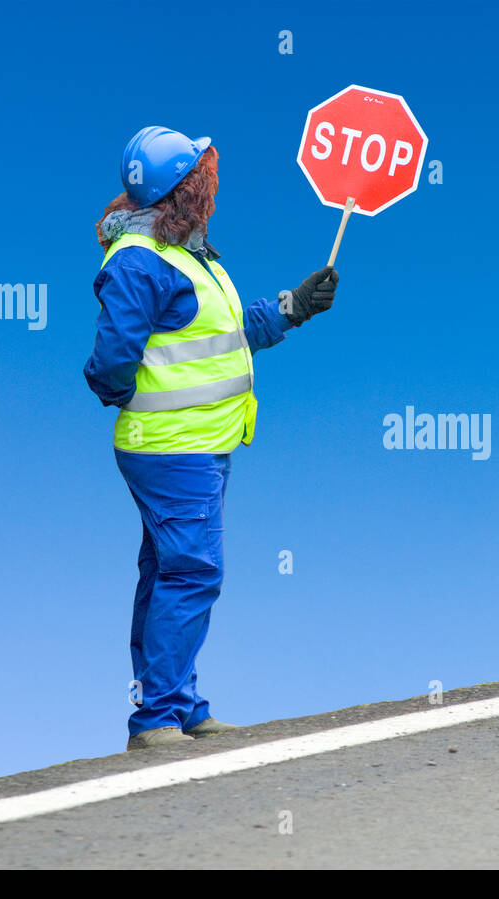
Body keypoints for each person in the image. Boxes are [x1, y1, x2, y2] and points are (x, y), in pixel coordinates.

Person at [84, 125, 339, 750]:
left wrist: (293, 306)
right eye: (204, 181)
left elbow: (224, 334)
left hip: (195, 446)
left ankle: (175, 705)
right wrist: (118, 389)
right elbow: (110, 359)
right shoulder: (143, 262)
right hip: (172, 448)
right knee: (193, 571)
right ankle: (159, 718)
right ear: (183, 191)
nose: (212, 192)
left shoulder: (188, 257)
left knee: (166, 572)